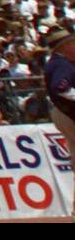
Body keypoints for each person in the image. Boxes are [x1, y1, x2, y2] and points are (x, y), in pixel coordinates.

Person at [43, 30, 75, 214]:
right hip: (68, 114)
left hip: (63, 113)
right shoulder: (62, 64)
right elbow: (61, 87)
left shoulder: (58, 63)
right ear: (65, 46)